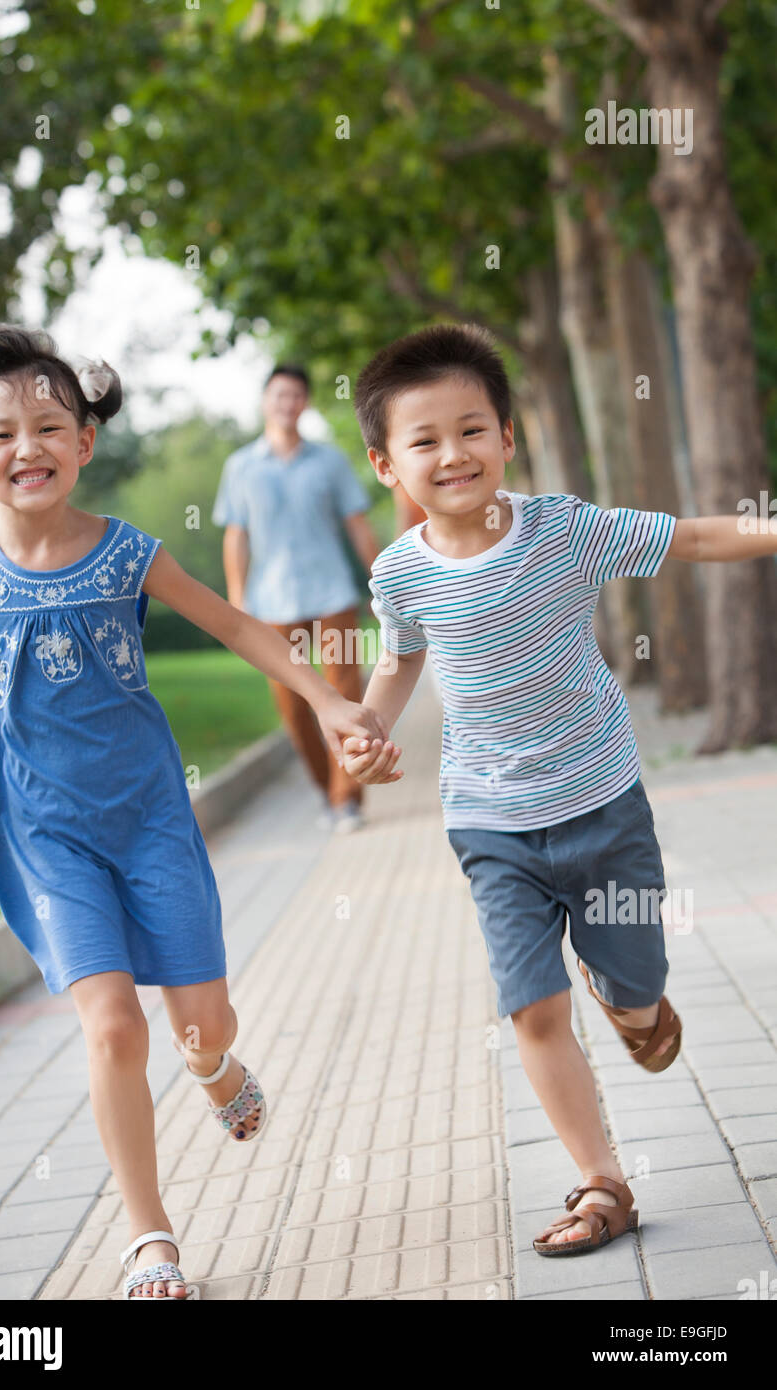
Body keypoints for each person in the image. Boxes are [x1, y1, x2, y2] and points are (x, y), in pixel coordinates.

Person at [0, 322, 387, 1300]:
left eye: (50, 425)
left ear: (85, 443)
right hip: (43, 833)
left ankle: (213, 1071)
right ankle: (150, 1236)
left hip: (151, 818)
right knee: (114, 1027)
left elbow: (238, 624)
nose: (27, 447)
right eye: (0, 434)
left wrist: (333, 700)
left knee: (201, 1025)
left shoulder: (130, 554)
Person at [341, 321, 777, 1256]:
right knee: (532, 1008)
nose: (451, 454)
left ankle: (634, 1004)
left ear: (508, 436)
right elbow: (401, 660)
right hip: (491, 821)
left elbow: (694, 536)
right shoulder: (398, 573)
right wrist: (368, 728)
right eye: (424, 441)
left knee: (638, 979)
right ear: (386, 464)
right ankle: (600, 1182)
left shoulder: (562, 528)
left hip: (602, 802)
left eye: (471, 429)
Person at [212, 363, 381, 833]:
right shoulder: (240, 466)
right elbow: (236, 536)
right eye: (279, 395)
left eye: (296, 396)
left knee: (346, 694)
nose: (287, 404)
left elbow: (357, 527)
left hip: (332, 597)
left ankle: (348, 798)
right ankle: (327, 787)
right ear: (266, 401)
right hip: (272, 603)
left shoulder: (329, 462)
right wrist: (236, 596)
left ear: (304, 404)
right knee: (292, 704)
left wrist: (379, 584)